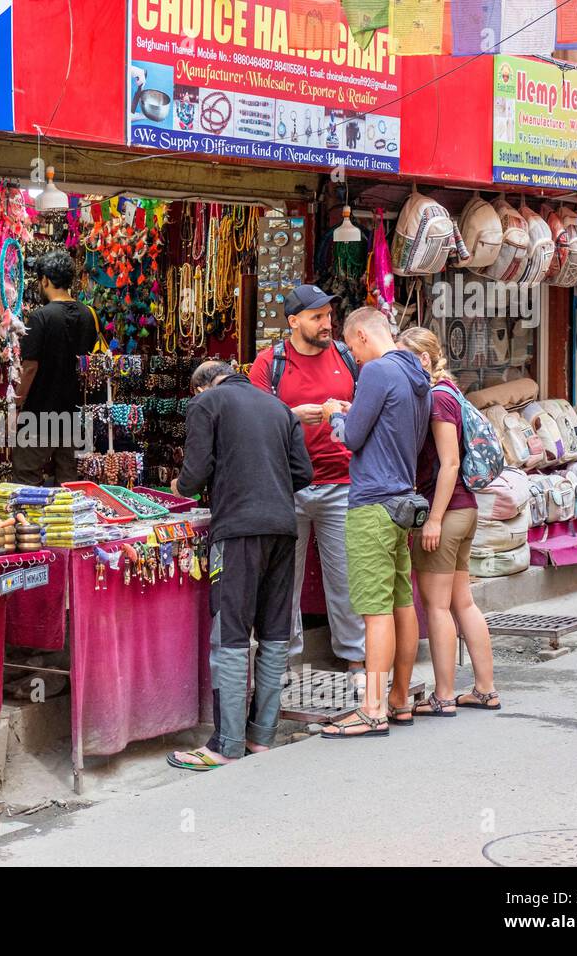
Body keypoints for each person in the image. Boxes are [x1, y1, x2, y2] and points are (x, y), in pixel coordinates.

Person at [166, 360, 314, 769]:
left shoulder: (207, 404)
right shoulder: (279, 408)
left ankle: (225, 745)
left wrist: (179, 486)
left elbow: (194, 476)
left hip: (238, 530)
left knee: (230, 632)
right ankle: (260, 737)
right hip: (283, 528)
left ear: (201, 387)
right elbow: (303, 472)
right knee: (273, 631)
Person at [319, 308, 431, 739]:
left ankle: (371, 709)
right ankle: (399, 699)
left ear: (362, 335)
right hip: (402, 500)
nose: (356, 358)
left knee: (374, 610)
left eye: (354, 349)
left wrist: (335, 414)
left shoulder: (378, 372)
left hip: (372, 503)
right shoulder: (414, 372)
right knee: (402, 601)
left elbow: (351, 438)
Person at [250, 284, 365, 689]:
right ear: (294, 321)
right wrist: (291, 416)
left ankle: (355, 657)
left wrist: (351, 413)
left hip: (342, 481)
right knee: (284, 578)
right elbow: (254, 423)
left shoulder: (348, 358)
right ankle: (284, 659)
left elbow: (369, 412)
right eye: (316, 316)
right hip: (288, 484)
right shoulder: (269, 364)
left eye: (329, 315)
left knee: (345, 575)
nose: (326, 323)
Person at [397, 327, 501, 716]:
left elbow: (450, 463)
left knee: (437, 607)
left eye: (403, 357)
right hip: (464, 508)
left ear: (422, 360)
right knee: (462, 602)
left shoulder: (438, 398)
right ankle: (485, 690)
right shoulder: (449, 392)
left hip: (449, 509)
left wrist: (434, 519)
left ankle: (443, 696)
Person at [12, 250, 97, 485]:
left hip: (39, 413)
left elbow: (29, 367)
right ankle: (68, 521)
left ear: (45, 280)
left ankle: (27, 520)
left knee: (26, 475)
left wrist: (18, 402)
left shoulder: (41, 317)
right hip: (72, 413)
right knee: (68, 480)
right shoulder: (88, 315)